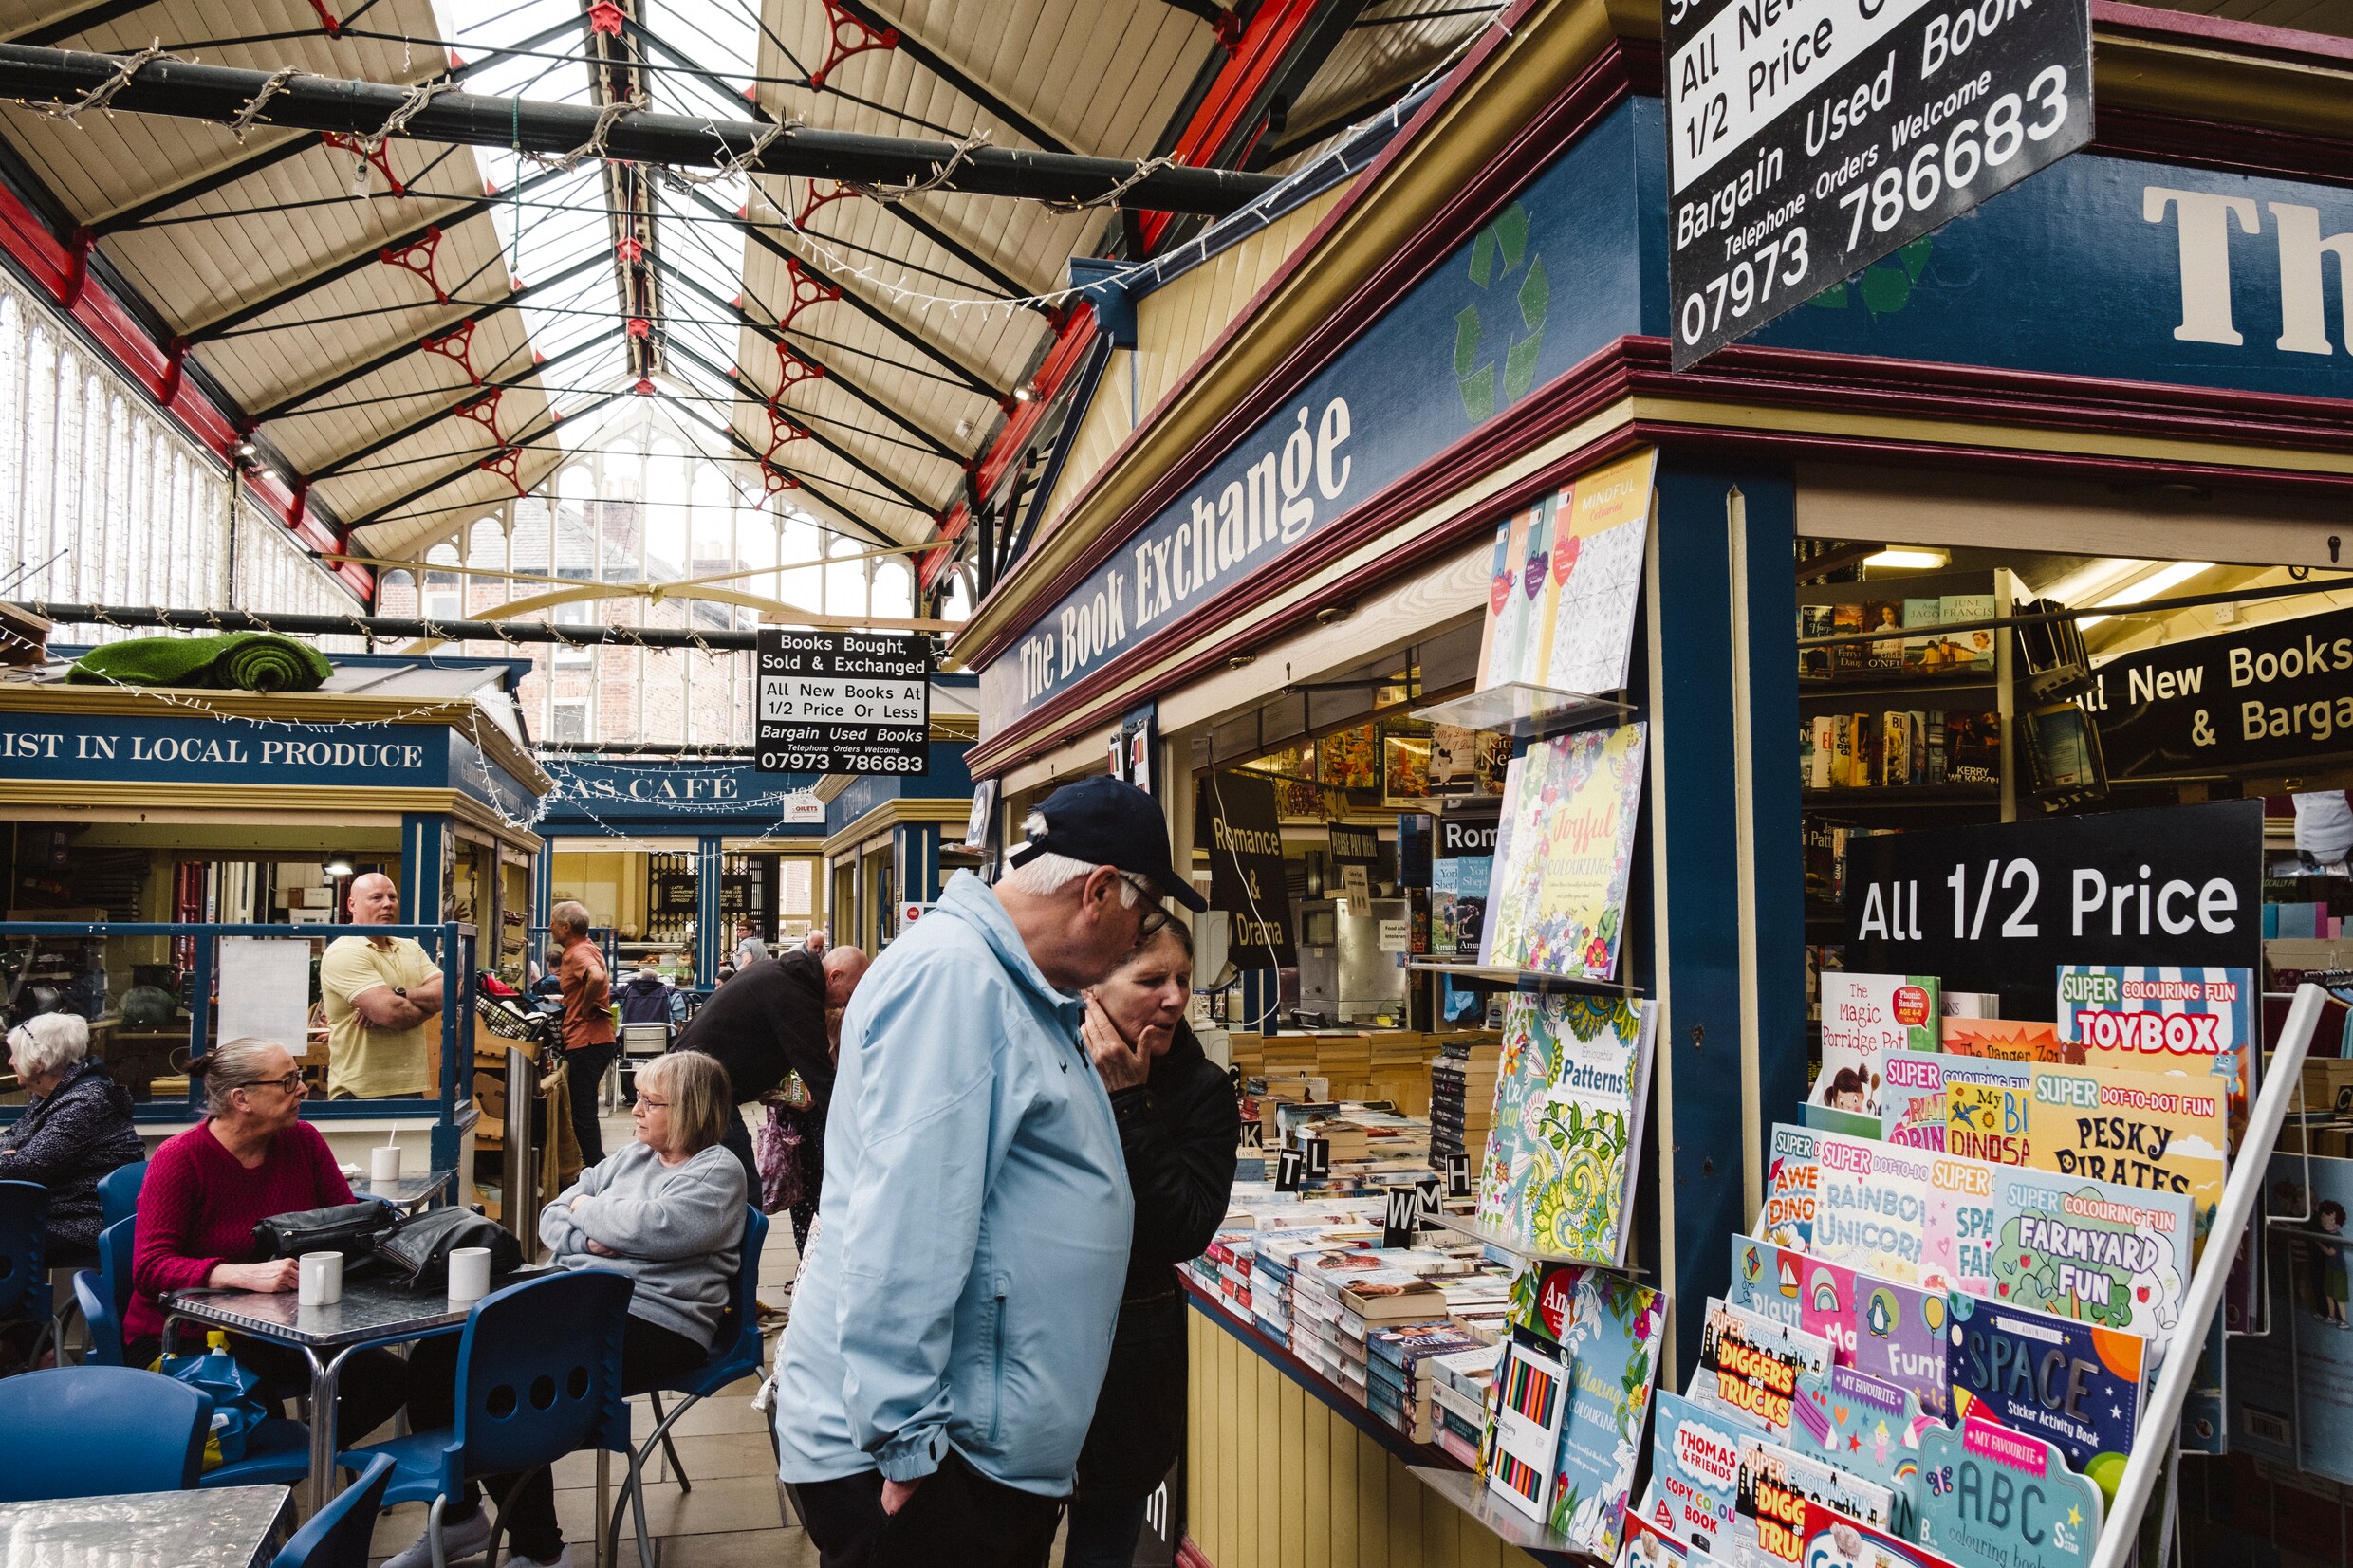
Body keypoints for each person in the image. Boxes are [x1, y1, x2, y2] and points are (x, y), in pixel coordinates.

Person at [775, 775, 1206, 1568]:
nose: (1138, 939)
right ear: (1099, 890)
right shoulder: (958, 980)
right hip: (936, 1465)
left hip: (973, 1454)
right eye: (1142, 918)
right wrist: (905, 1441)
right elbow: (905, 1223)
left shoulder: (1003, 982)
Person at [388, 1051, 747, 1568]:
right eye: (638, 1096)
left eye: (651, 1101)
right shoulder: (632, 1159)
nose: (637, 1109)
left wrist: (589, 1214)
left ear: (689, 1108)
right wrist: (598, 1225)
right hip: (574, 1300)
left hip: (658, 1322)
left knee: (508, 1377)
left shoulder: (717, 1170)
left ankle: (542, 1551)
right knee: (436, 1357)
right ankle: (459, 1519)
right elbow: (550, 1216)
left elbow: (657, 1227)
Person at [125, 1038, 408, 1438]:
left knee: (388, 1378)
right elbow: (150, 1267)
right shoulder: (180, 1159)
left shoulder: (303, 1141)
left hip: (279, 1328)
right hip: (184, 1335)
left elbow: (349, 1227)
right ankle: (291, 1467)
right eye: (289, 1081)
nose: (304, 1088)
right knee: (258, 1415)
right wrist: (238, 1274)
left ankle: (308, 1461)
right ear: (243, 1099)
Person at [1066, 920, 1236, 1567]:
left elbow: (1183, 1228)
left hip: (1130, 1370)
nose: (1173, 997)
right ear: (1094, 987)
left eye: (1183, 980)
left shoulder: (1202, 1091)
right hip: (1032, 1349)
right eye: (1150, 979)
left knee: (1103, 1547)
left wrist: (1130, 1103)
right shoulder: (1050, 1060)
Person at [674, 941, 868, 1246]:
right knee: (744, 1192)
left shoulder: (780, 974)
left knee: (717, 1184)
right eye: (852, 992)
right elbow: (819, 1076)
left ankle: (715, 1265)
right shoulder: (796, 995)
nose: (849, 1003)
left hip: (695, 1085)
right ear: (834, 976)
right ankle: (736, 1281)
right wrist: (861, 1135)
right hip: (699, 1092)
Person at [0, 1013, 142, 1264]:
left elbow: (27, 1169)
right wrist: (10, 1154)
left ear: (39, 1063)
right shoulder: (51, 1095)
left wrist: (15, 1157)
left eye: (15, 1054)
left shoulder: (84, 1102)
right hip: (54, 1211)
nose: (10, 1061)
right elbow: (13, 1137)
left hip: (81, 1223)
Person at [319, 872, 443, 1098]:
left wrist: (399, 994)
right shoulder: (345, 952)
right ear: (352, 904)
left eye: (392, 897)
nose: (387, 904)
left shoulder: (409, 947)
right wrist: (427, 1006)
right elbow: (393, 1014)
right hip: (359, 1091)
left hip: (410, 1085)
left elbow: (447, 992)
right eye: (377, 898)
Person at [551, 901, 619, 1164]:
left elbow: (598, 978)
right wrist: (572, 1002)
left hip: (587, 1040)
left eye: (554, 922)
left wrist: (587, 1006)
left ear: (566, 927)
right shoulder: (588, 947)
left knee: (583, 1111)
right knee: (584, 1108)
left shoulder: (577, 952)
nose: (550, 927)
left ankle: (596, 1169)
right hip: (597, 1039)